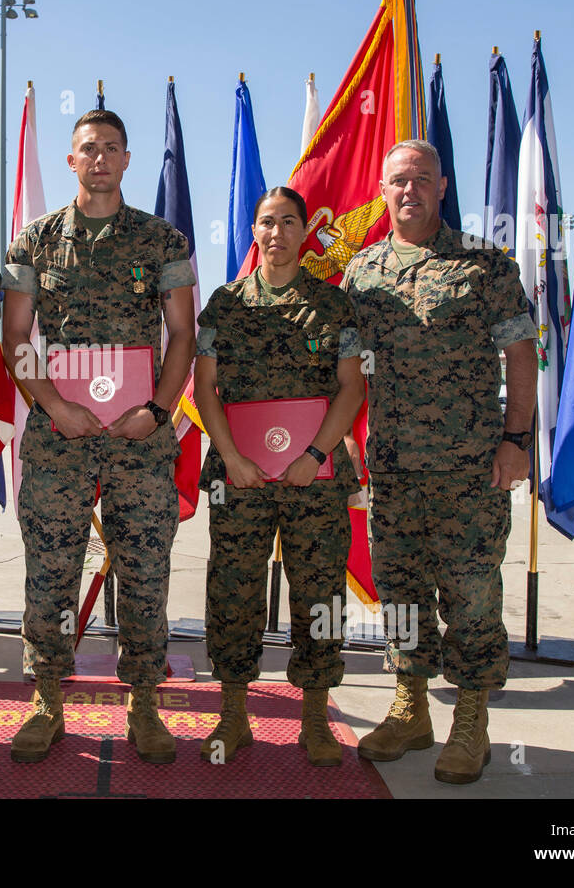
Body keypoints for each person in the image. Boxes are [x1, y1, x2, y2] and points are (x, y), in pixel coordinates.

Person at [1, 109, 196, 764]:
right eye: (89, 148)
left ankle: (143, 699)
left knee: (144, 567)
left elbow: (184, 336)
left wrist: (160, 411)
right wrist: (51, 403)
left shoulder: (163, 241)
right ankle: (48, 699)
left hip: (138, 436)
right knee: (51, 568)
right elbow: (14, 338)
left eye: (112, 148)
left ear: (127, 158)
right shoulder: (32, 243)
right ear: (71, 160)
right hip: (60, 434)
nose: (101, 158)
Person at [340, 139, 538, 785]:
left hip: (470, 469)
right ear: (382, 188)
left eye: (422, 179)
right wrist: (345, 441)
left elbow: (520, 355)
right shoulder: (362, 272)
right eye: (399, 179)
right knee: (400, 594)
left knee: (473, 596)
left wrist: (518, 440)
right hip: (393, 468)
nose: (410, 190)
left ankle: (472, 721)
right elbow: (345, 369)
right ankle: (410, 709)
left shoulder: (486, 265)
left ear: (442, 186)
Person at [193, 186, 366, 766]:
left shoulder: (334, 305)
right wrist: (233, 457)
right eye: (267, 222)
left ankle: (313, 718)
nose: (277, 233)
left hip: (312, 478)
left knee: (318, 593)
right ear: (254, 232)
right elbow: (206, 390)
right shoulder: (224, 304)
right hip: (239, 477)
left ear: (302, 231)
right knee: (233, 592)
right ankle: (234, 716)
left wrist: (314, 456)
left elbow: (351, 388)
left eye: (288, 222)